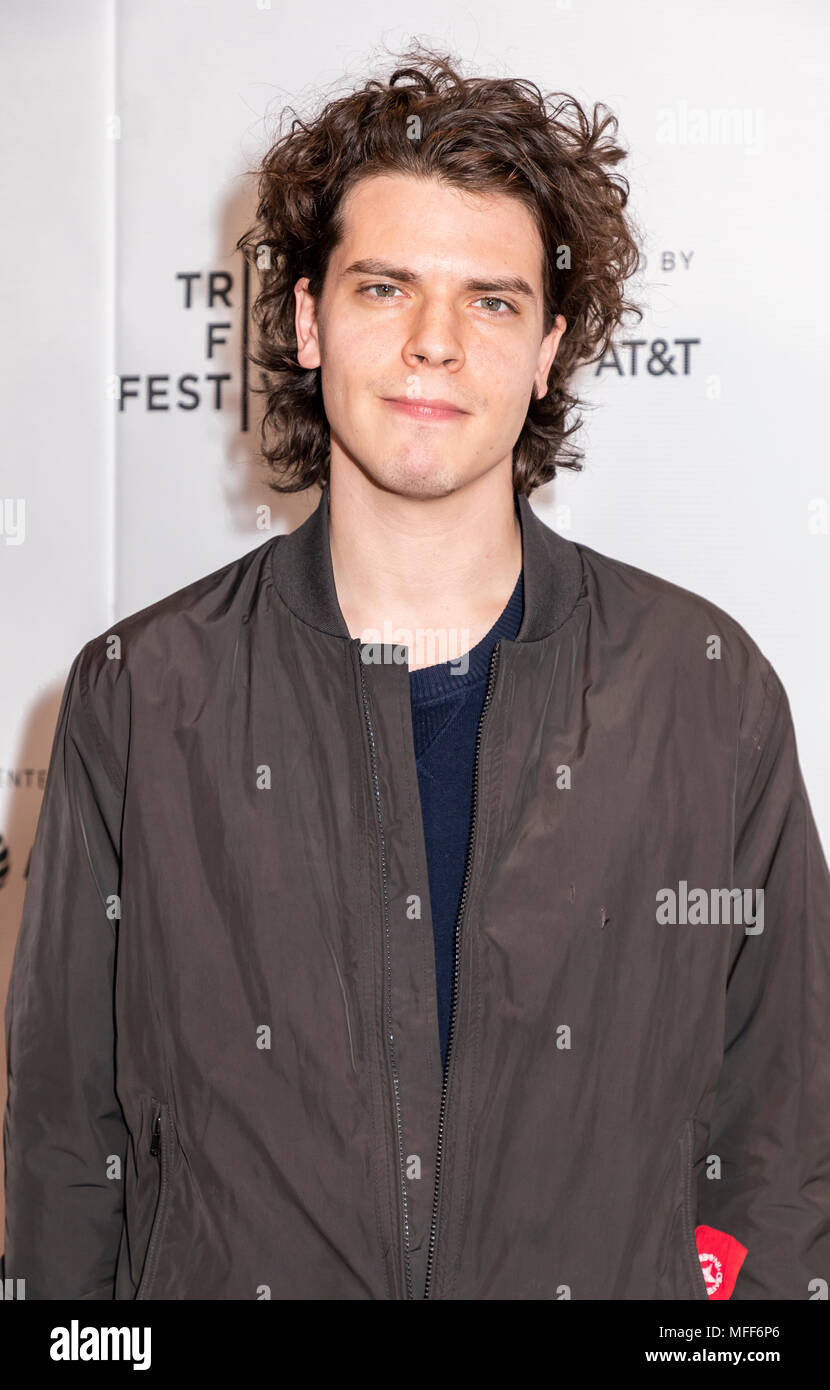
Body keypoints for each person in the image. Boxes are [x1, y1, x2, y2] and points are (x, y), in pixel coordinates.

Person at [3, 44, 829, 1302]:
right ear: (303, 321)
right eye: (384, 287)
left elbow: (780, 1140)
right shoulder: (140, 695)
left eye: (491, 301)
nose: (434, 343)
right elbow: (69, 1150)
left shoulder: (705, 697)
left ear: (548, 346)